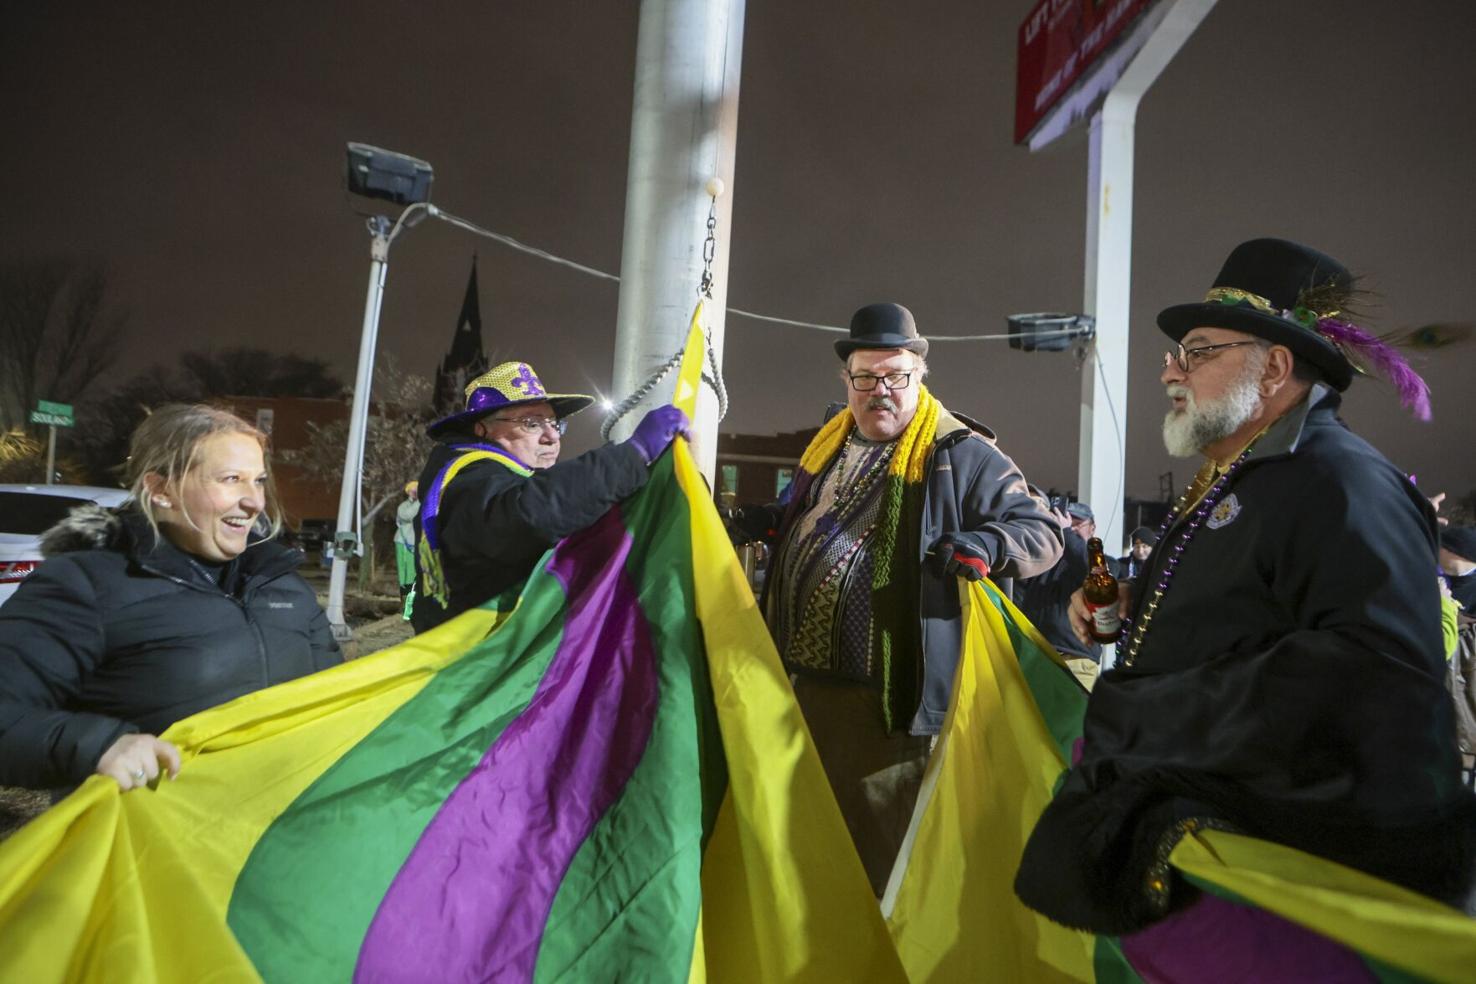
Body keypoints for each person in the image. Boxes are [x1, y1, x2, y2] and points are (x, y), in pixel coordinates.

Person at [1015, 238, 1476, 932]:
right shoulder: (1242, 476)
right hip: (1215, 866)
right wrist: (1140, 608)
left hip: (1291, 891)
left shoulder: (1341, 484)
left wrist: (1148, 711)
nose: (1170, 368)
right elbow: (1247, 606)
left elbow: (1371, 678)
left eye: (1198, 351)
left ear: (1275, 368)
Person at [735, 302, 1062, 894]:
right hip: (799, 689)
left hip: (887, 703)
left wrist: (986, 544)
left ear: (919, 376)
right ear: (847, 382)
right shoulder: (828, 445)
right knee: (802, 855)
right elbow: (812, 522)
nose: (879, 390)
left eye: (896, 376)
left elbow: (1042, 532)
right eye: (866, 377)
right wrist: (770, 520)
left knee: (878, 864)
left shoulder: (958, 453)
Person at [0, 404, 342, 792]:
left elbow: (335, 701)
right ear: (161, 490)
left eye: (259, 480)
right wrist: (97, 745)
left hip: (272, 838)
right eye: (231, 479)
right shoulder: (84, 585)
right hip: (150, 844)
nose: (255, 502)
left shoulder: (284, 585)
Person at [411, 361, 689, 634]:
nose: (552, 436)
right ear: (483, 429)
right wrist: (632, 456)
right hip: (474, 665)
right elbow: (529, 512)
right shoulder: (470, 482)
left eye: (555, 423)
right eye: (531, 424)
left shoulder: (471, 476)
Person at [394, 481, 420, 610]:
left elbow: (412, 515)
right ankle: (404, 606)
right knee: (403, 575)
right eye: (412, 490)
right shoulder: (403, 506)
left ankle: (409, 607)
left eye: (417, 490)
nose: (414, 492)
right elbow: (405, 515)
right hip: (402, 541)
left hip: (413, 542)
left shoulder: (420, 504)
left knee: (411, 574)